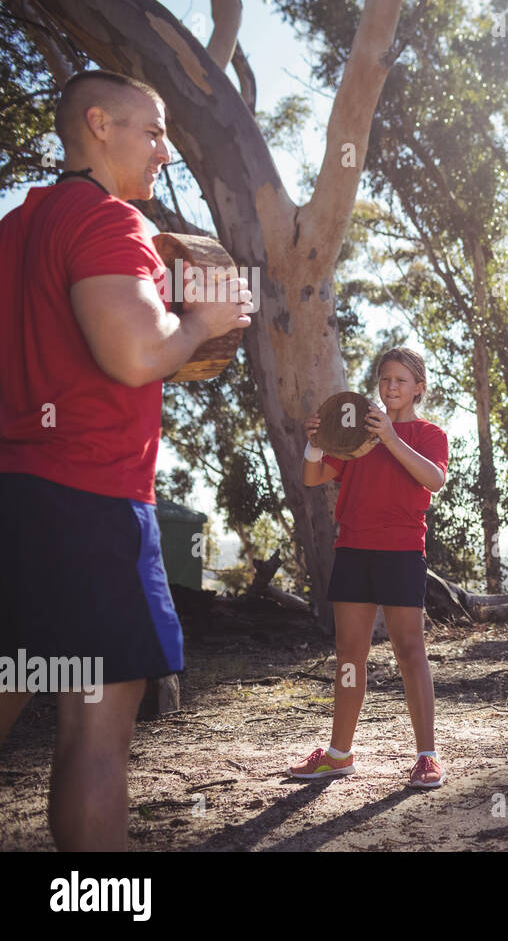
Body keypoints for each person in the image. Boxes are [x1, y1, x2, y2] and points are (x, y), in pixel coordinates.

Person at [0, 70, 251, 850]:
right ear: (100, 125)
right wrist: (199, 320)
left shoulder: (14, 228)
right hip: (90, 506)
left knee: (14, 685)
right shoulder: (110, 222)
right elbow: (138, 353)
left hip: (14, 500)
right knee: (94, 729)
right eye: (153, 131)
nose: (165, 151)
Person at [290, 348, 451, 789]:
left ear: (418, 387)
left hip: (401, 552)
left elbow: (433, 480)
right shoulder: (357, 433)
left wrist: (392, 438)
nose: (390, 387)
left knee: (409, 652)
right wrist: (315, 441)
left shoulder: (429, 434)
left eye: (400, 380)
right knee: (349, 655)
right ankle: (339, 754)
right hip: (354, 551)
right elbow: (312, 477)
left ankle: (426, 756)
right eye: (385, 379)